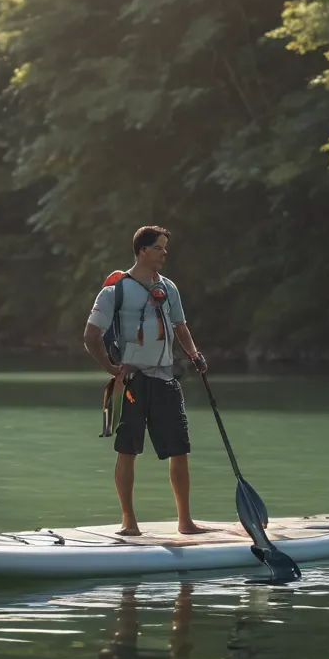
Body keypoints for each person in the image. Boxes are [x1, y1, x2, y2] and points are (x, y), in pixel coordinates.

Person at [84, 225, 208, 536]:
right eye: (159, 247)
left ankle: (185, 522)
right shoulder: (116, 291)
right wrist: (113, 370)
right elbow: (91, 336)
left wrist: (194, 354)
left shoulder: (169, 288)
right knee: (128, 449)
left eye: (166, 247)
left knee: (180, 449)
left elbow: (180, 326)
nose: (165, 253)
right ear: (142, 251)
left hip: (166, 378)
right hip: (133, 382)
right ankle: (129, 522)